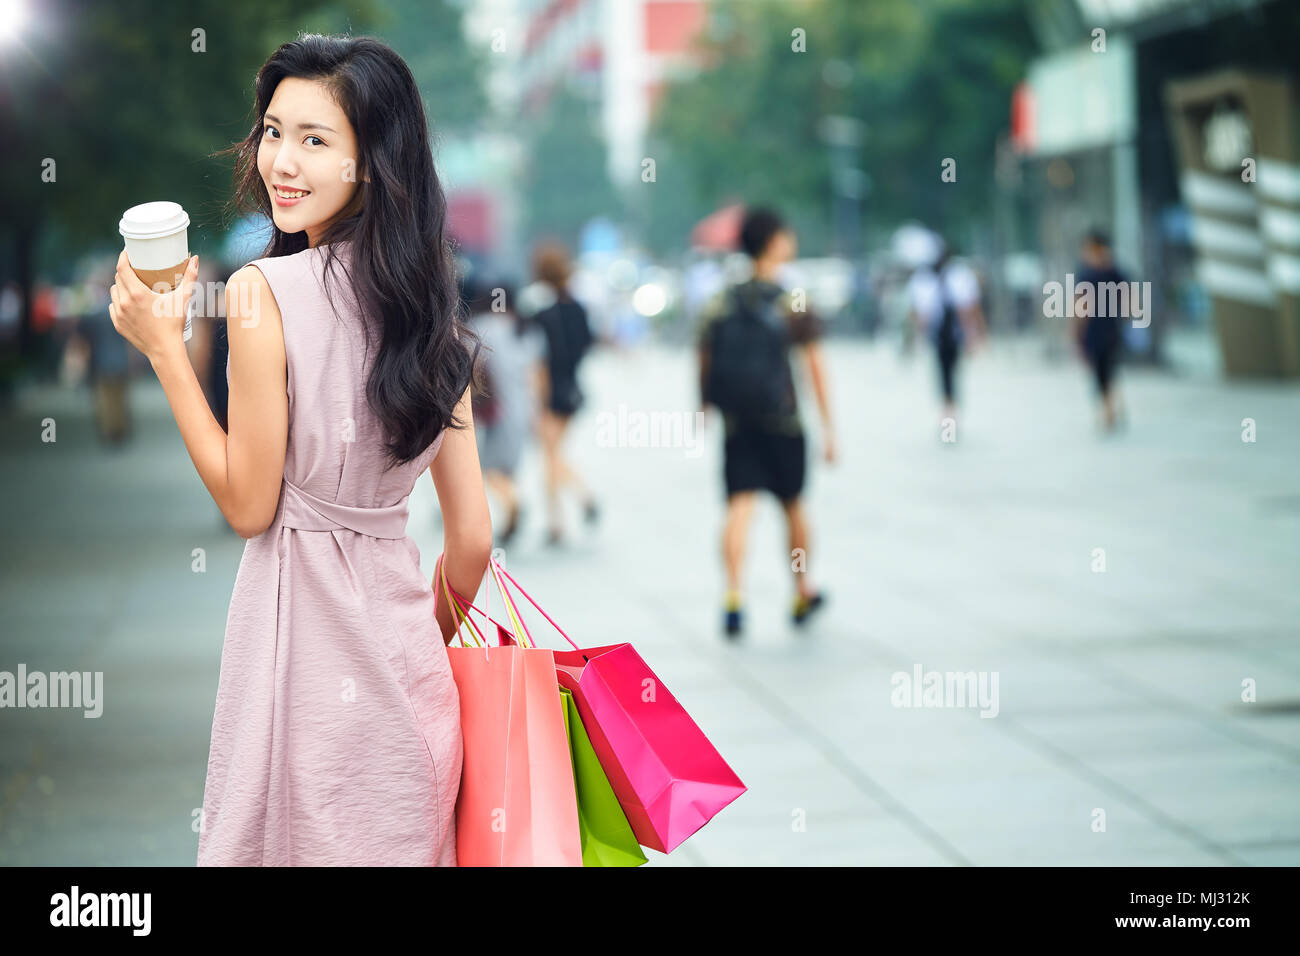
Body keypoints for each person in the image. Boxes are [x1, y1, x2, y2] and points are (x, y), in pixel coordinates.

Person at [107, 35, 492, 866]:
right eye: (274, 131)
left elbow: (249, 507)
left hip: (298, 677)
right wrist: (408, 642)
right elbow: (472, 545)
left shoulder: (260, 292)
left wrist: (165, 350)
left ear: (373, 162)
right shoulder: (439, 327)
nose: (282, 160)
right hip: (408, 685)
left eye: (316, 140)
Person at [696, 206, 835, 638]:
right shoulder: (791, 298)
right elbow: (813, 366)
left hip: (738, 421)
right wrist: (829, 427)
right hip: (783, 421)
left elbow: (703, 356)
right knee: (792, 505)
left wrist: (703, 406)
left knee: (739, 506)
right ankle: (800, 590)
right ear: (774, 242)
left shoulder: (721, 300)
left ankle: (734, 596)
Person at [465, 275, 546, 544]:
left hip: (497, 409)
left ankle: (513, 504)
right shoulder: (526, 329)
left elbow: (466, 366)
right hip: (524, 408)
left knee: (489, 469)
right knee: (509, 468)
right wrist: (538, 411)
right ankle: (509, 515)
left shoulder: (481, 327)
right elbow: (536, 373)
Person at [530, 241, 598, 546]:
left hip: (551, 394)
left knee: (551, 456)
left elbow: (539, 363)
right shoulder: (580, 310)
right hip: (573, 390)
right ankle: (564, 514)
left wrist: (538, 401)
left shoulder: (542, 316)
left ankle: (569, 511)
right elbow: (587, 346)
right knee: (553, 455)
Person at [906, 238, 986, 426]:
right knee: (947, 375)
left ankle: (949, 411)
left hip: (953, 333)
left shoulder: (956, 276)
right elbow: (919, 313)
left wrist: (975, 335)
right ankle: (949, 411)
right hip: (940, 335)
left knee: (949, 375)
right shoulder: (926, 279)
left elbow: (969, 309)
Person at [1071, 228, 1127, 431]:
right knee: (1109, 371)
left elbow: (1081, 307)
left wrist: (1076, 332)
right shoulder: (1116, 272)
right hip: (1112, 330)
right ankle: (1111, 408)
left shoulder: (1087, 274)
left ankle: (1108, 412)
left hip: (1095, 332)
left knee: (1100, 372)